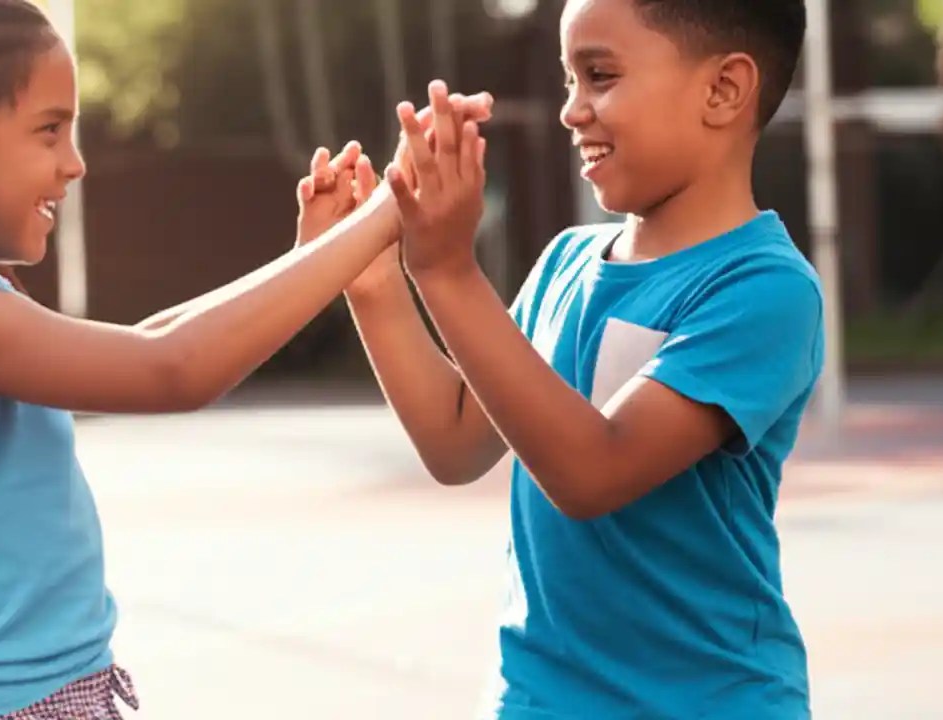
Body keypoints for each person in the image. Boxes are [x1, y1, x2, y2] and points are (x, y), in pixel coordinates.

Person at [0, 0, 492, 717]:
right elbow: (168, 368)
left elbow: (149, 340)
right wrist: (387, 214)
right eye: (48, 130)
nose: (74, 162)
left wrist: (309, 260)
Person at [327, 1, 819, 716]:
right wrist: (375, 281)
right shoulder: (565, 261)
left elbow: (593, 471)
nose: (570, 111)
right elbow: (455, 440)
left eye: (600, 76)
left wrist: (446, 271)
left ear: (723, 90)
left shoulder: (763, 289)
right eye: (569, 81)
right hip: (538, 700)